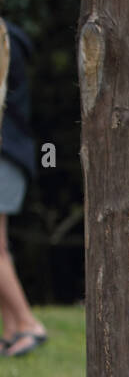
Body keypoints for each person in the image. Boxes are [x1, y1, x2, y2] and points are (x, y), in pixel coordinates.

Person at [0, 21, 45, 358]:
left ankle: (28, 324)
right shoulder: (10, 36)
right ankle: (13, 328)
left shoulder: (4, 40)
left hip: (5, 154)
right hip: (12, 154)